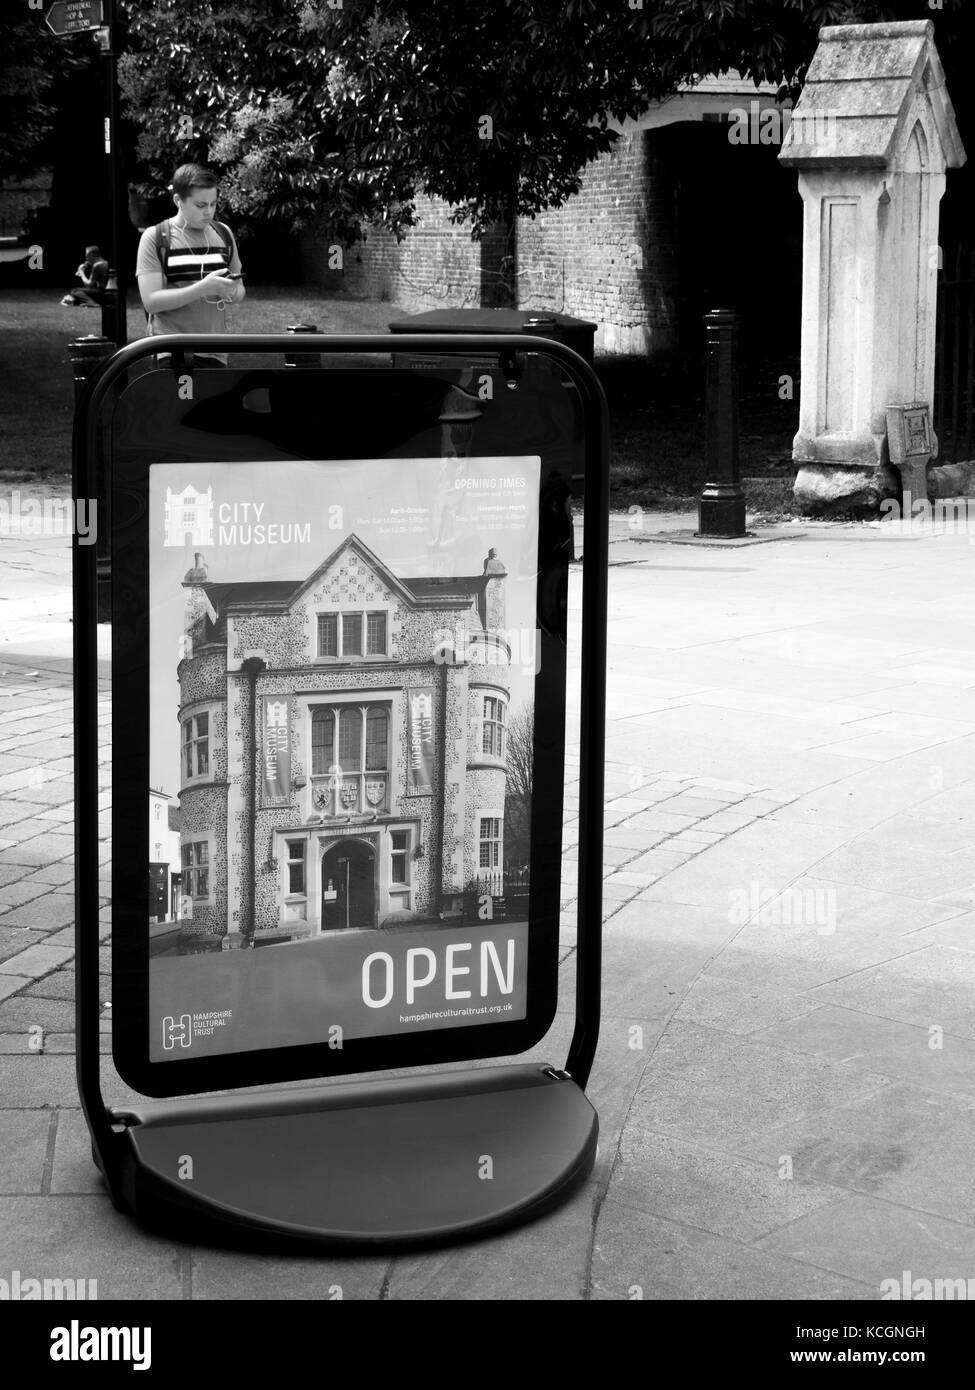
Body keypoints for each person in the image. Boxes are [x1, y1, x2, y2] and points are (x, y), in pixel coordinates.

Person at [136, 163, 245, 367]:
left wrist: (230, 292)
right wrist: (204, 288)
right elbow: (151, 301)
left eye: (213, 204)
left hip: (216, 352)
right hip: (171, 352)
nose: (209, 212)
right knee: (182, 399)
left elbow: (240, 291)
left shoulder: (223, 233)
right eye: (200, 205)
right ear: (178, 200)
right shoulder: (156, 237)